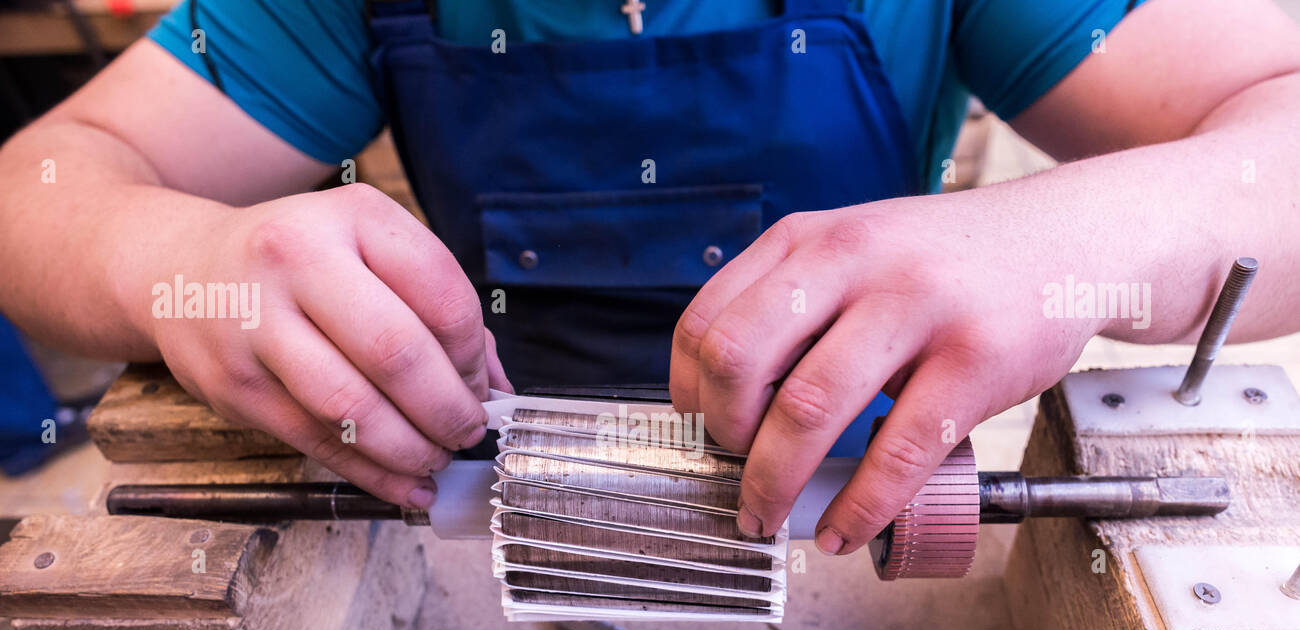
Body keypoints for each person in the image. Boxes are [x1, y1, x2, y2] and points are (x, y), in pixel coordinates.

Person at [1, 0, 1298, 558]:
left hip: (846, 529)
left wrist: (1058, 248)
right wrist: (181, 263)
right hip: (478, 522)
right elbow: (35, 188)